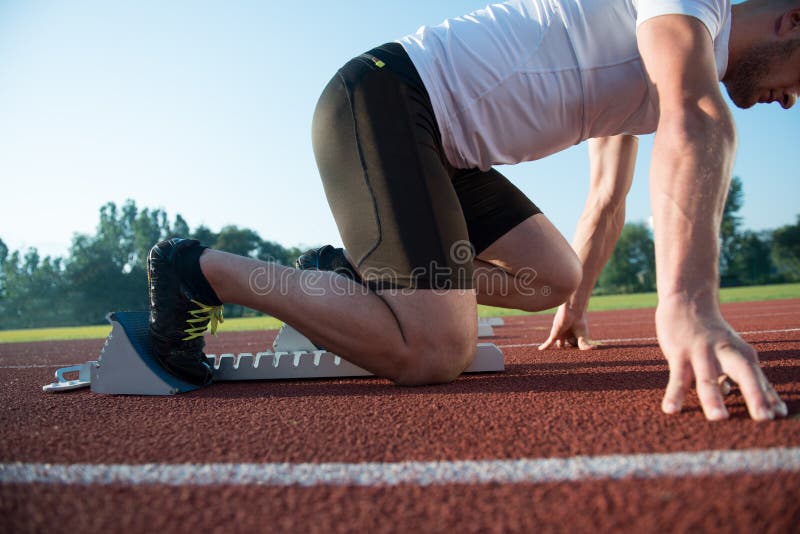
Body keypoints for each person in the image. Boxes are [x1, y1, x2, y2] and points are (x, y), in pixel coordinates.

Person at [147, 0, 797, 421]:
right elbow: (698, 117)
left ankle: (352, 276)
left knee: (553, 278)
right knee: (435, 351)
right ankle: (200, 272)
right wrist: (687, 304)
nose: (793, 101)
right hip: (385, 96)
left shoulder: (669, 62)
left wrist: (577, 309)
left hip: (446, 152)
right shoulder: (687, 18)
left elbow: (609, 194)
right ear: (793, 20)